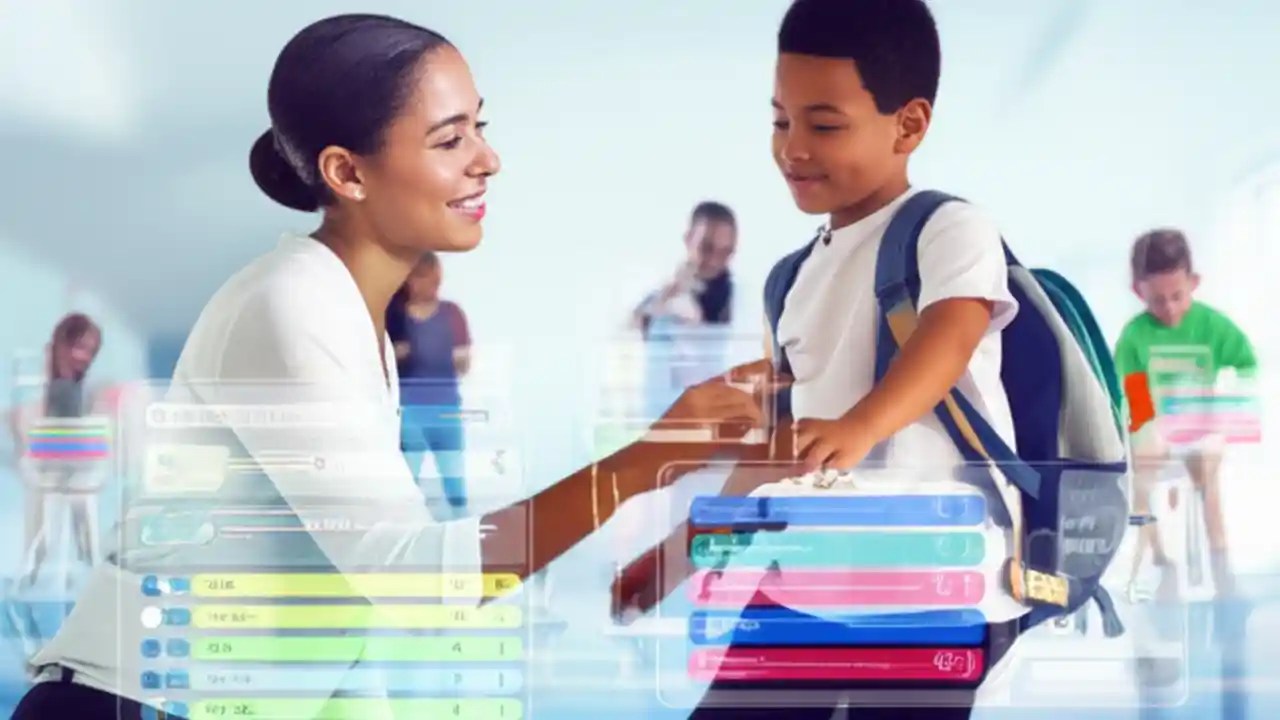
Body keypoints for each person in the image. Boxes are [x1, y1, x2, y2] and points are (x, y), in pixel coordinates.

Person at [10, 15, 784, 719]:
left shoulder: (350, 315)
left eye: (479, 128)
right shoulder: (290, 305)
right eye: (450, 141)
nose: (489, 160)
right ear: (347, 174)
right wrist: (654, 451)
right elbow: (417, 583)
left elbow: (341, 592)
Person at [614, 1, 1027, 717]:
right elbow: (780, 445)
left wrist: (860, 427)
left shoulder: (950, 227)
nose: (792, 148)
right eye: (781, 120)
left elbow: (949, 336)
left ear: (909, 124)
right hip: (804, 581)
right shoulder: (789, 279)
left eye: (824, 124)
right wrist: (680, 553)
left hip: (929, 591)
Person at [1116, 228, 1257, 601]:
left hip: (1202, 425)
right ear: (1138, 292)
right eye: (1158, 300)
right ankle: (1162, 563)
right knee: (1142, 482)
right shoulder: (1135, 336)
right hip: (1157, 429)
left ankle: (1222, 570)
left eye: (1177, 296)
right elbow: (1133, 395)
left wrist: (1221, 407)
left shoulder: (1213, 326)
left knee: (1209, 485)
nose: (1170, 309)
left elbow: (1245, 368)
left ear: (1194, 283)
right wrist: (1148, 434)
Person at [8, 313, 104, 588]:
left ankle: (92, 585)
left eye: (89, 351)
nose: (83, 357)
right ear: (62, 345)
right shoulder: (47, 383)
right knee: (43, 538)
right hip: (48, 471)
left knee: (88, 537)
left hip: (78, 470)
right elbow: (27, 423)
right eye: (78, 347)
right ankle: (27, 588)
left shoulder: (78, 387)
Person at [388, 252, 472, 510]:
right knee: (408, 479)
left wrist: (427, 352)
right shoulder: (394, 316)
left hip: (446, 408)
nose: (428, 285)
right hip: (408, 410)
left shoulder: (452, 313)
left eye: (433, 278)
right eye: (420, 278)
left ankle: (462, 530)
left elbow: (463, 364)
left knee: (454, 478)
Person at [631, 201, 739, 336]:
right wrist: (671, 294)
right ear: (688, 239)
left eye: (725, 252)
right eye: (706, 248)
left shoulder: (747, 304)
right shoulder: (654, 292)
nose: (714, 261)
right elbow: (628, 338)